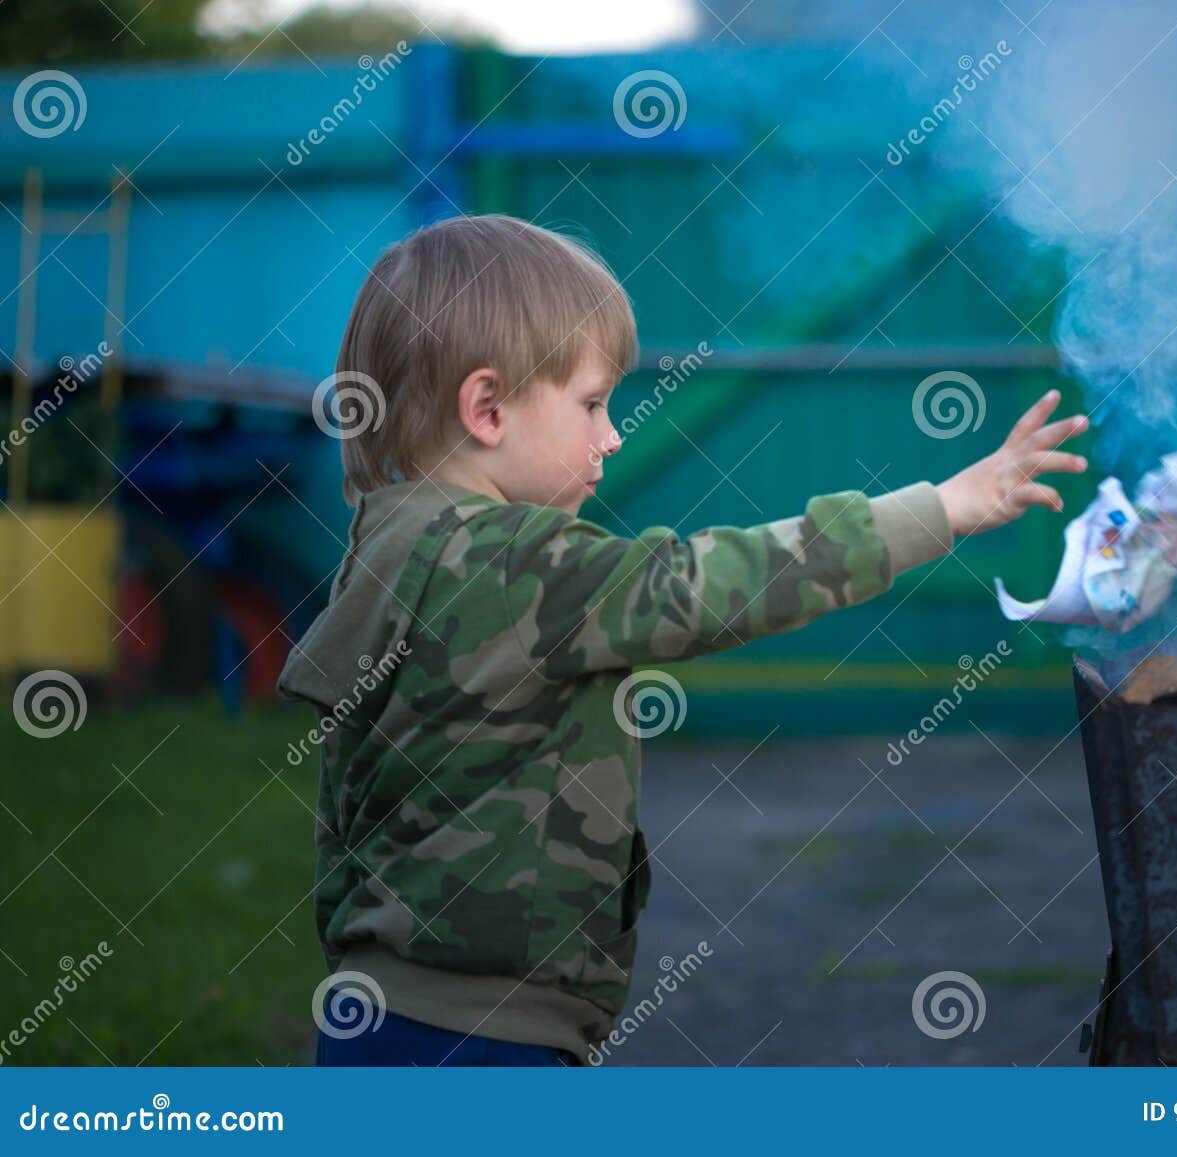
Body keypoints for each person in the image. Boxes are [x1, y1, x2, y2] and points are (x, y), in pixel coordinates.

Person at [278, 213, 1090, 1066]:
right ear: (486, 409)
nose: (612, 435)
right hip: (486, 1040)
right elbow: (711, 586)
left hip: (377, 1020)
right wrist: (945, 509)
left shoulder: (388, 553)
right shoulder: (516, 567)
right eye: (592, 404)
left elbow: (345, 820)